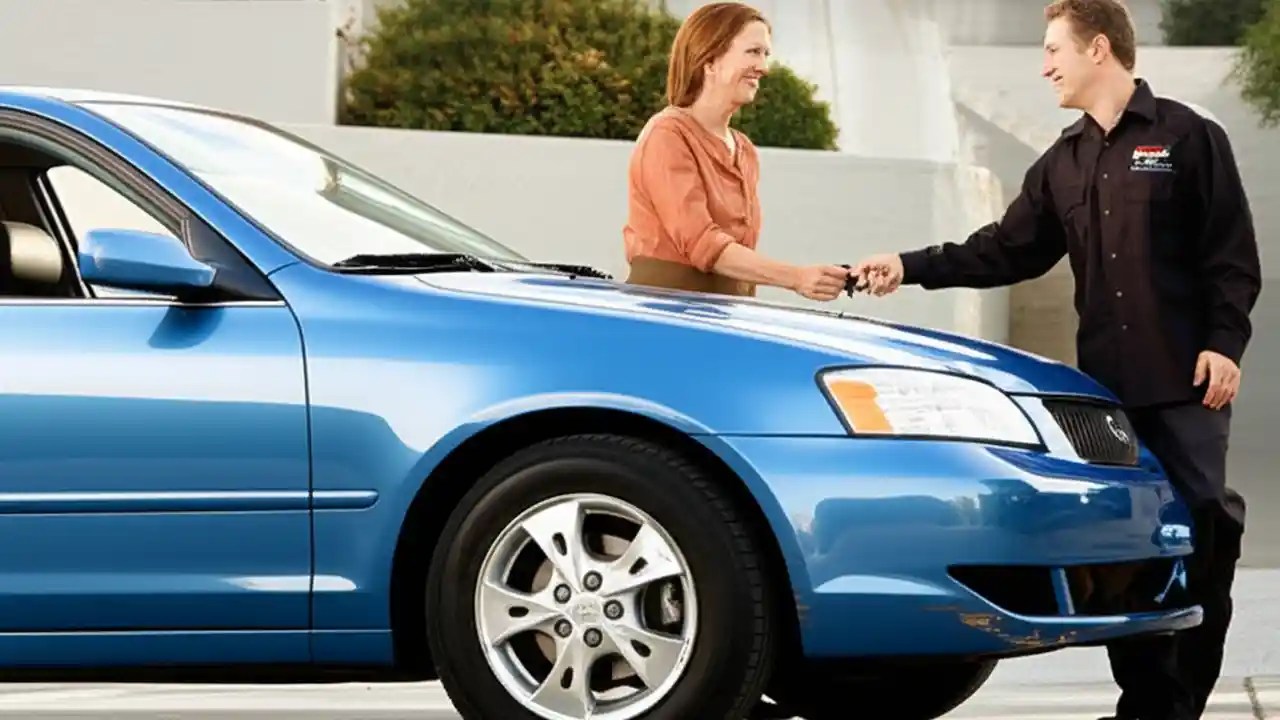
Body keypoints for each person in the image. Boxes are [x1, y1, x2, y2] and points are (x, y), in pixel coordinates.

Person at [849, 1, 1262, 718]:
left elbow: (1231, 257)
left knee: (1204, 528)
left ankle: (1179, 703)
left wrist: (1223, 345)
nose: (1044, 66)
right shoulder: (1063, 162)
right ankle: (1148, 705)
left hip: (1187, 385)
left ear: (1098, 49)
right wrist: (907, 265)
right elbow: (1002, 250)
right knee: (1125, 548)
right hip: (1103, 397)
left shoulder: (1188, 136)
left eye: (1053, 51)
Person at [622, 1, 849, 300]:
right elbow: (702, 243)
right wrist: (796, 278)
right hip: (666, 315)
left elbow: (737, 253)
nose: (764, 67)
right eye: (753, 52)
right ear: (710, 60)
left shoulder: (745, 151)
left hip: (728, 316)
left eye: (766, 54)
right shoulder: (668, 135)